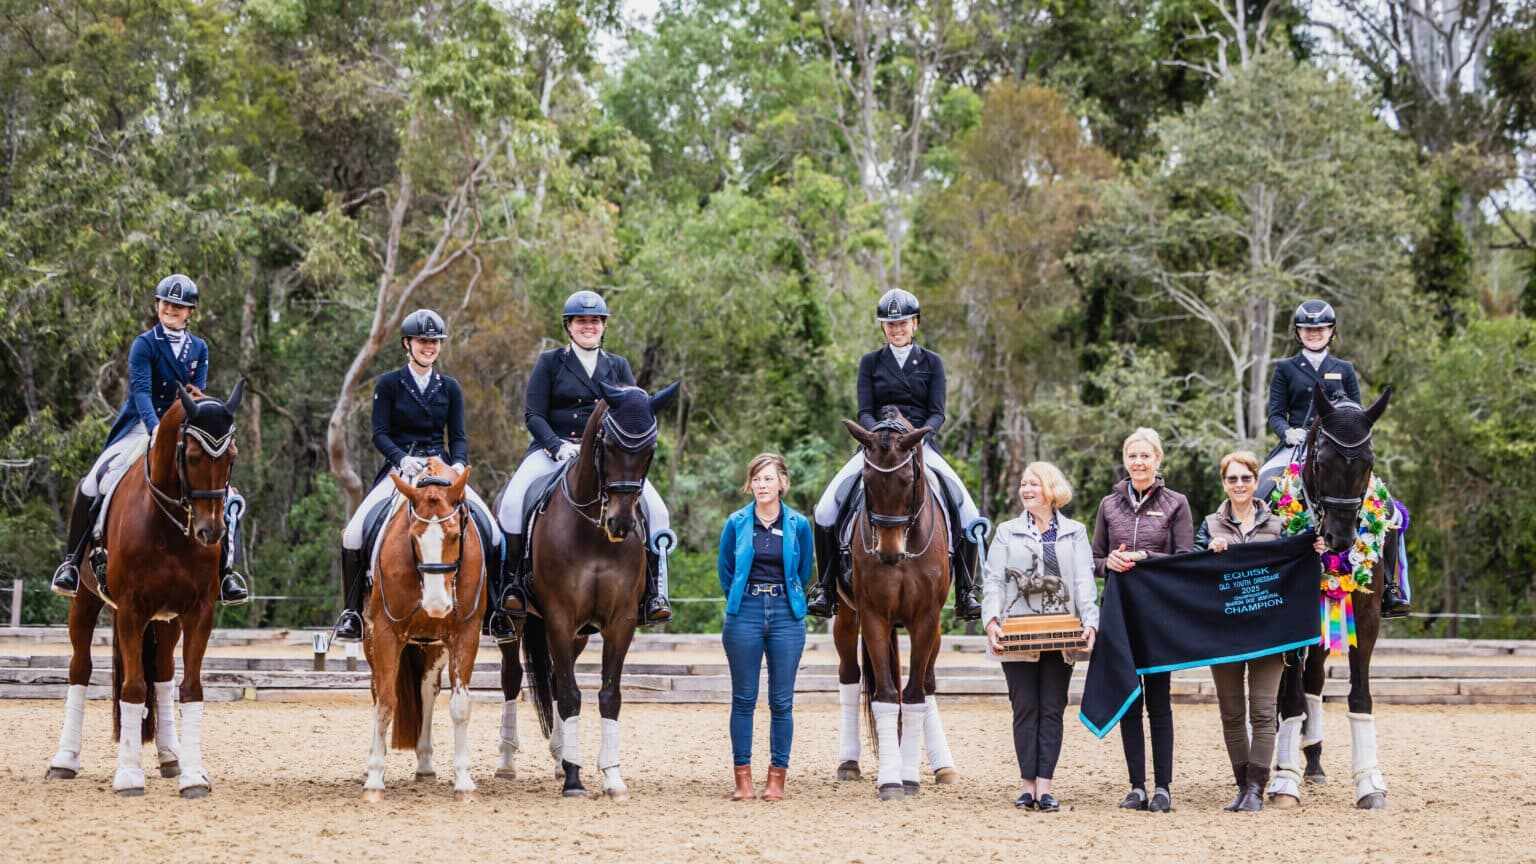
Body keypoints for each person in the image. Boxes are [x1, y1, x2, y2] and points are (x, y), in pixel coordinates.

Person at [50, 274, 248, 606]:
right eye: (167, 304)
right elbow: (140, 392)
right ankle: (70, 563)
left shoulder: (199, 347)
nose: (171, 309)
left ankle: (226, 573)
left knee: (226, 493)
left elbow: (195, 395)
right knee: (93, 482)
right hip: (140, 426)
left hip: (183, 429)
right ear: (158, 305)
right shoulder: (144, 343)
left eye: (179, 306)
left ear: (189, 312)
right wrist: (156, 428)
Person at [494, 291, 676, 627]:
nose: (588, 326)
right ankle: (512, 584)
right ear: (569, 326)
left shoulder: (617, 365)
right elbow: (533, 414)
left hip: (607, 456)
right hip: (554, 449)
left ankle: (653, 591)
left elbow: (632, 413)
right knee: (512, 501)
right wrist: (555, 446)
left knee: (659, 511)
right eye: (581, 321)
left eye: (594, 321)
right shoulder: (550, 362)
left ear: (603, 325)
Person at [807, 288, 988, 621]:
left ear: (915, 324)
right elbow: (864, 410)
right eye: (890, 325)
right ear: (883, 328)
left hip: (919, 447)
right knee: (825, 508)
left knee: (968, 509)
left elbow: (937, 413)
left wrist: (915, 436)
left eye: (903, 323)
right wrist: (879, 436)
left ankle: (966, 591)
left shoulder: (932, 362)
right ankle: (826, 588)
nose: (897, 329)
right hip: (876, 447)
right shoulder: (870, 362)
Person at [331, 309, 500, 642]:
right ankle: (352, 612)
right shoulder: (390, 384)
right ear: (407, 344)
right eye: (423, 341)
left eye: (434, 342)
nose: (429, 347)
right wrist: (401, 459)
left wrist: (461, 465)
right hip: (403, 468)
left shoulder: (449, 387)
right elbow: (379, 433)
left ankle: (493, 608)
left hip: (442, 467)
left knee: (492, 532)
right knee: (352, 533)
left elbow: (460, 435)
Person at [1194, 450, 1326, 812]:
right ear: (1224, 483)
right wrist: (1208, 552)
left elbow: (1296, 564)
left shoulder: (1278, 525)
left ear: (1256, 481)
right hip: (1223, 633)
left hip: (1267, 633)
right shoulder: (1209, 524)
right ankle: (1241, 785)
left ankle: (1256, 787)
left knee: (1264, 711)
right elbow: (1192, 571)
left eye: (1245, 478)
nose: (1239, 484)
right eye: (1232, 479)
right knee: (1231, 711)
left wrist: (1313, 548)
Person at [1262, 299, 1408, 618]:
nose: (1314, 334)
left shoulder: (1344, 369)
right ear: (1298, 333)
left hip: (1339, 447)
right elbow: (1274, 414)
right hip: (1297, 444)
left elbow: (1356, 413)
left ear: (1331, 331)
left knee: (1388, 509)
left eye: (1320, 329)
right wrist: (1287, 432)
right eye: (1307, 329)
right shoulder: (1286, 369)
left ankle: (1390, 588)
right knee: (1259, 488)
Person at [982, 462, 1098, 813]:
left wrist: (1090, 623)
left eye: (1033, 483)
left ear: (1050, 489)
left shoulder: (1074, 532)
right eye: (1023, 484)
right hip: (1018, 631)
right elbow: (994, 579)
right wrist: (991, 620)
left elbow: (1083, 580)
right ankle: (1026, 785)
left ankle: (1045, 787)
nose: (1026, 489)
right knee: (1024, 708)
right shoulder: (1006, 530)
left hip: (1062, 631)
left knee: (1051, 708)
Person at [1091, 427, 1193, 813]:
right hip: (1119, 614)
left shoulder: (1176, 503)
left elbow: (1185, 557)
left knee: (1159, 700)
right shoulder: (1108, 504)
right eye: (1132, 456)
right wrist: (1109, 563)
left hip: (1158, 613)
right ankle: (1136, 786)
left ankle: (1163, 787)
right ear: (1125, 460)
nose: (1138, 462)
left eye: (1145, 456)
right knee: (1129, 699)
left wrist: (1148, 558)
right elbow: (1094, 558)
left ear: (1158, 460)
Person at [717, 453, 813, 801]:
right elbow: (726, 569)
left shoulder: (799, 524)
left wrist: (788, 598)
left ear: (782, 483)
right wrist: (745, 599)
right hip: (746, 612)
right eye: (757, 479)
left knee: (781, 701)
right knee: (743, 699)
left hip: (787, 615)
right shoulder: (736, 522)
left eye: (768, 478)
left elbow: (803, 570)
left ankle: (777, 778)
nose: (762, 485)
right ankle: (742, 779)